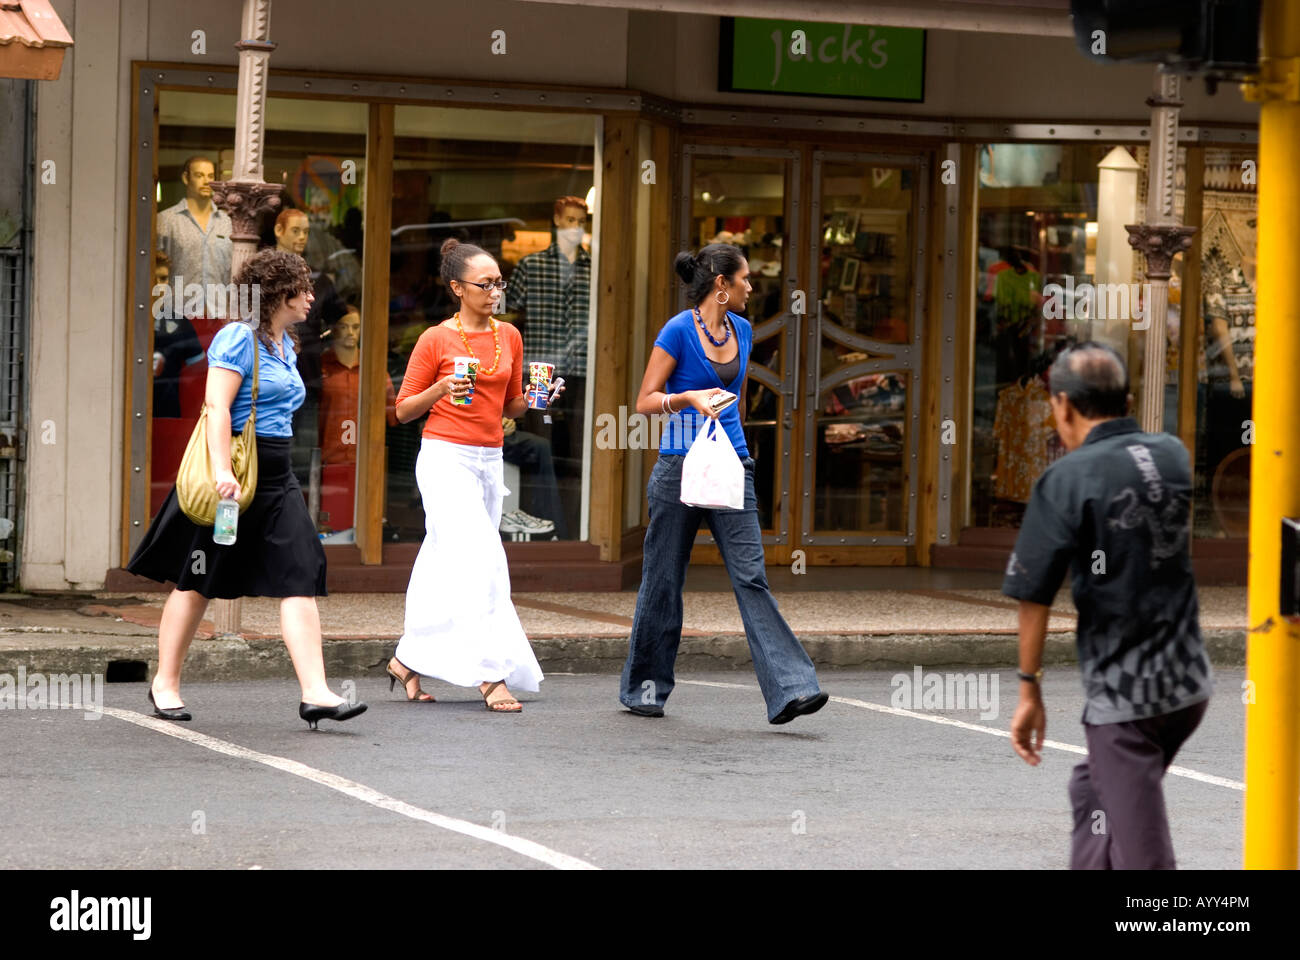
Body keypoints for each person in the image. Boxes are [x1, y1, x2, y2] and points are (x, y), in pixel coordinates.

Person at [126, 249, 367, 731]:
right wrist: (221, 472)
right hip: (237, 468)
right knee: (198, 580)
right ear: (278, 293)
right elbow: (216, 407)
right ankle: (165, 683)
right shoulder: (238, 338)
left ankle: (315, 692)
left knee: (300, 571)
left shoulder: (286, 343)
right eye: (303, 288)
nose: (311, 297)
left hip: (277, 473)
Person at [1005, 341, 1213, 869]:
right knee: (1092, 793)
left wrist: (1029, 688)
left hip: (1128, 702)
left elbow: (1034, 593)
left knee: (1146, 858)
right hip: (1189, 686)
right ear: (1125, 399)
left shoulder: (1066, 480)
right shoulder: (1172, 453)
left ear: (1064, 406)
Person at [619, 244, 829, 724]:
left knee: (751, 575)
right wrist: (687, 398)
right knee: (664, 578)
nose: (751, 288)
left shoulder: (745, 330)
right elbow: (644, 400)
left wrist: (735, 444)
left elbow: (737, 399)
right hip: (679, 467)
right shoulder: (676, 330)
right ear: (721, 285)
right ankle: (644, 690)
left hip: (732, 461)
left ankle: (792, 690)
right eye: (745, 280)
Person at [388, 238, 559, 711]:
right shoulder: (435, 339)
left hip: (488, 460)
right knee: (482, 561)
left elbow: (511, 406)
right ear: (457, 288)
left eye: (499, 283)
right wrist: (442, 386)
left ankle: (407, 658)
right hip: (444, 458)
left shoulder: (510, 337)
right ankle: (489, 674)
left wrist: (540, 400)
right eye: (485, 284)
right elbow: (402, 411)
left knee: (441, 562)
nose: (495, 292)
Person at [504, 195, 591, 538]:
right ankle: (543, 520)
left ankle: (576, 526)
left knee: (578, 446)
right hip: (541, 368)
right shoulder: (532, 265)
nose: (575, 227)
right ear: (557, 221)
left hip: (584, 368)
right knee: (542, 438)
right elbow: (507, 310)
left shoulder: (593, 268)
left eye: (580, 221)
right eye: (569, 219)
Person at [155, 156, 232, 321]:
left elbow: (231, 272)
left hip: (217, 318)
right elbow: (155, 270)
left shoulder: (227, 223)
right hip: (176, 315)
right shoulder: (166, 221)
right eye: (199, 175)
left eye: (210, 176)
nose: (206, 181)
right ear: (185, 178)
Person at [150, 250, 203, 418]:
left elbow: (198, 369)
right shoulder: (126, 322)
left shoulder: (181, 324)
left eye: (164, 278)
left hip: (168, 415)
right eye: (153, 277)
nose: (159, 284)